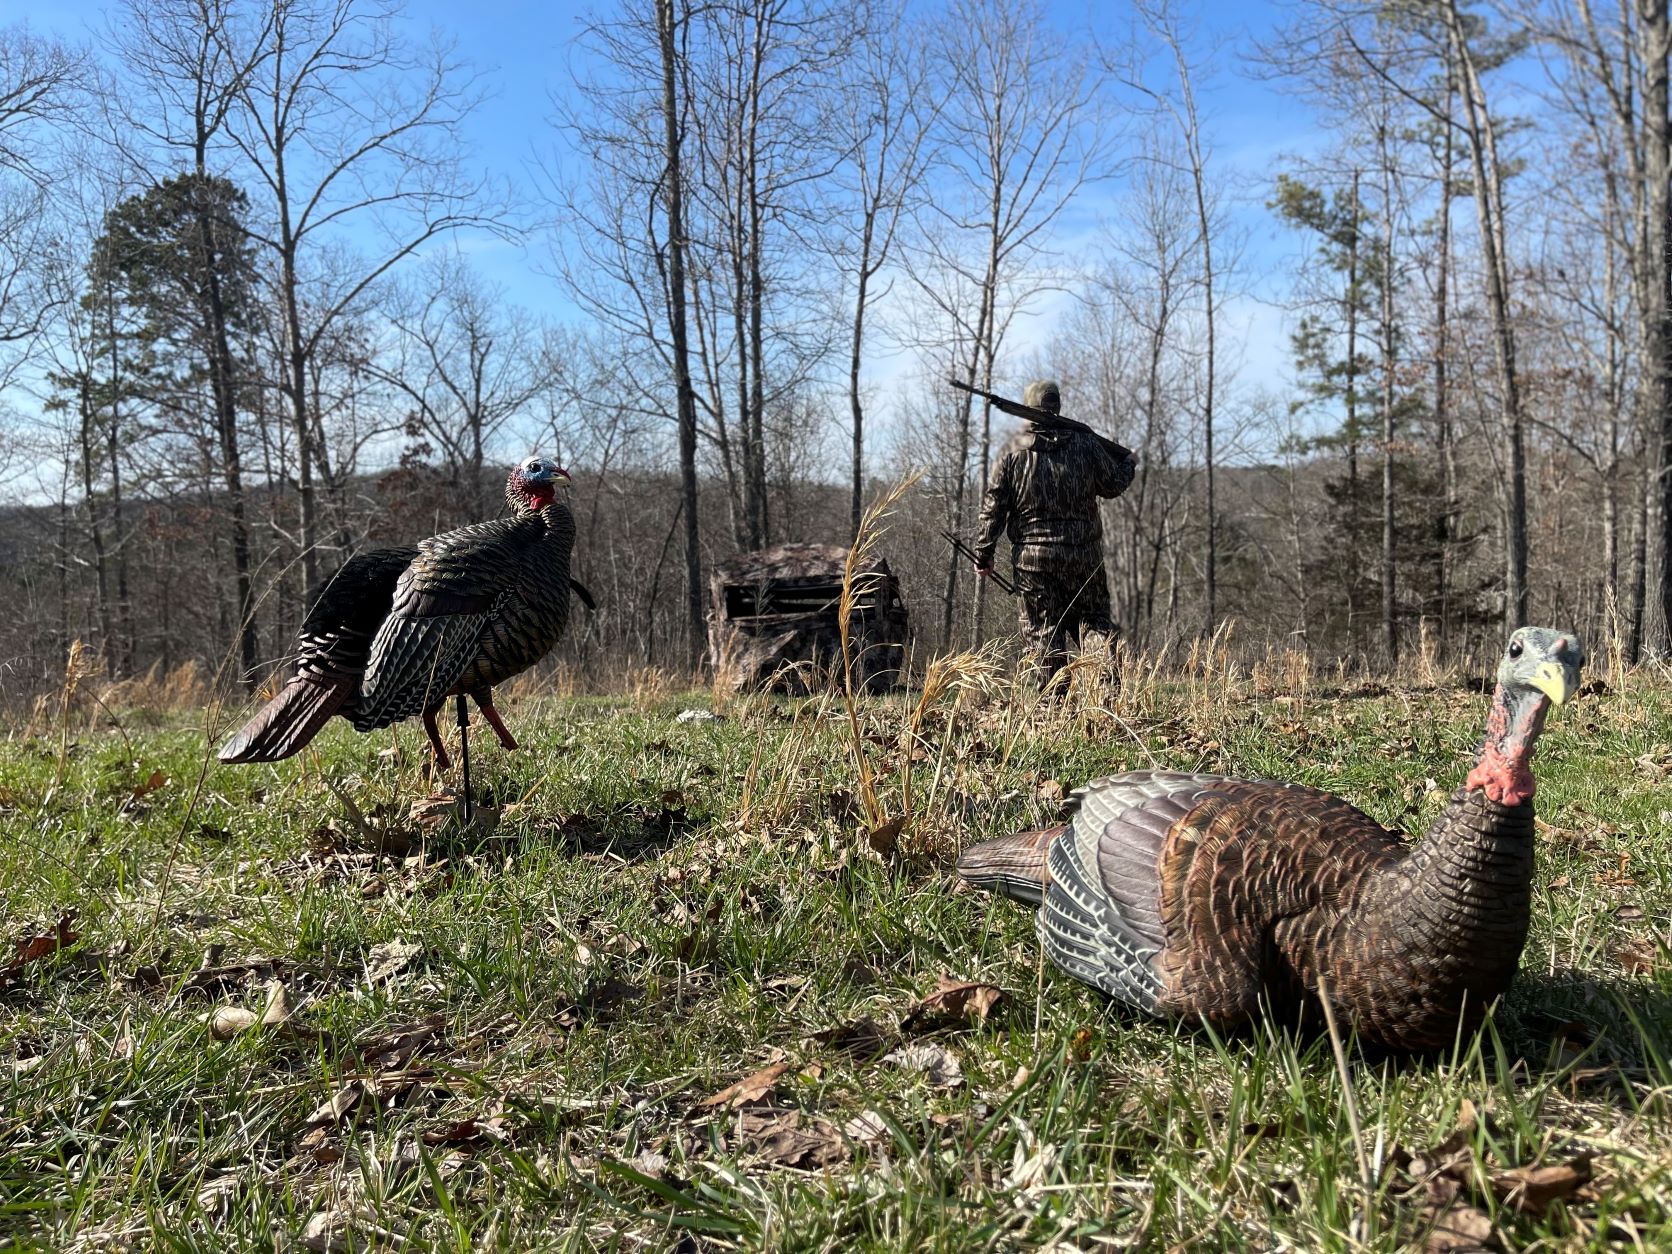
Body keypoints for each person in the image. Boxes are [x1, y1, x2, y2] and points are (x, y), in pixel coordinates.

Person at [972, 379, 1136, 687]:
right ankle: (1106, 697)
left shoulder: (1011, 452)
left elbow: (993, 507)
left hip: (1034, 563)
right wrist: (1129, 464)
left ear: (1026, 410)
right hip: (1083, 557)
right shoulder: (1085, 444)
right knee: (1094, 623)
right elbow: (1113, 485)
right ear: (1057, 406)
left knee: (1043, 631)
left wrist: (984, 553)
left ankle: (1052, 708)